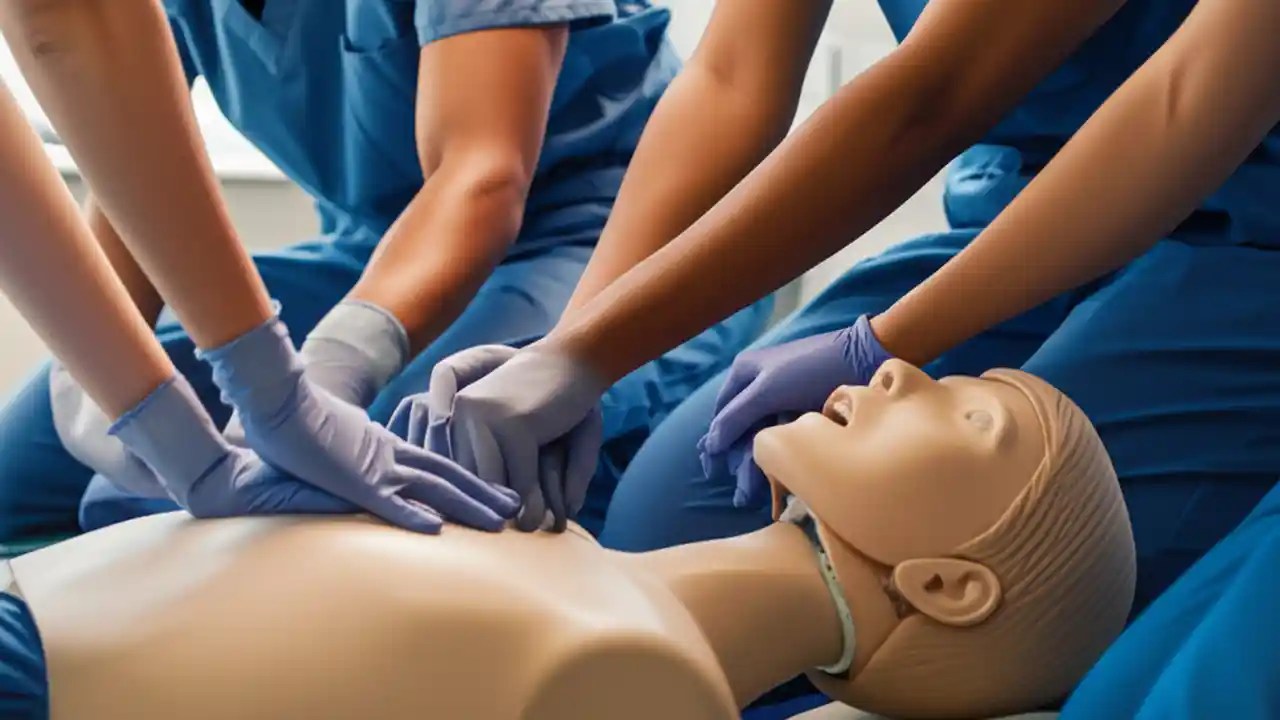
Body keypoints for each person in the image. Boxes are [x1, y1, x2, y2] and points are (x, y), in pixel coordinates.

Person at [406, 0, 1280, 611]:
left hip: (1246, 232)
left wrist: (882, 347)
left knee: (957, 553)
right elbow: (732, 78)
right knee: (675, 515)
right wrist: (573, 348)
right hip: (1015, 205)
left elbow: (937, 92)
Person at [0, 0, 770, 543]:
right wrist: (103, 378)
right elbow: (118, 120)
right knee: (31, 452)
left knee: (418, 446)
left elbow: (482, 175)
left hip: (590, 233)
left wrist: (324, 375)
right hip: (372, 249)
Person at [1, 363, 1133, 719]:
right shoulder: (595, 576)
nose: (894, 369)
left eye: (969, 416)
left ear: (943, 583)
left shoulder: (639, 680)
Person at [0, 23, 518, 538]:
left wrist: (314, 373)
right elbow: (96, 76)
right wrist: (123, 394)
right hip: (353, 254)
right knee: (22, 482)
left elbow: (485, 172)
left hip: (527, 251)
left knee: (386, 485)